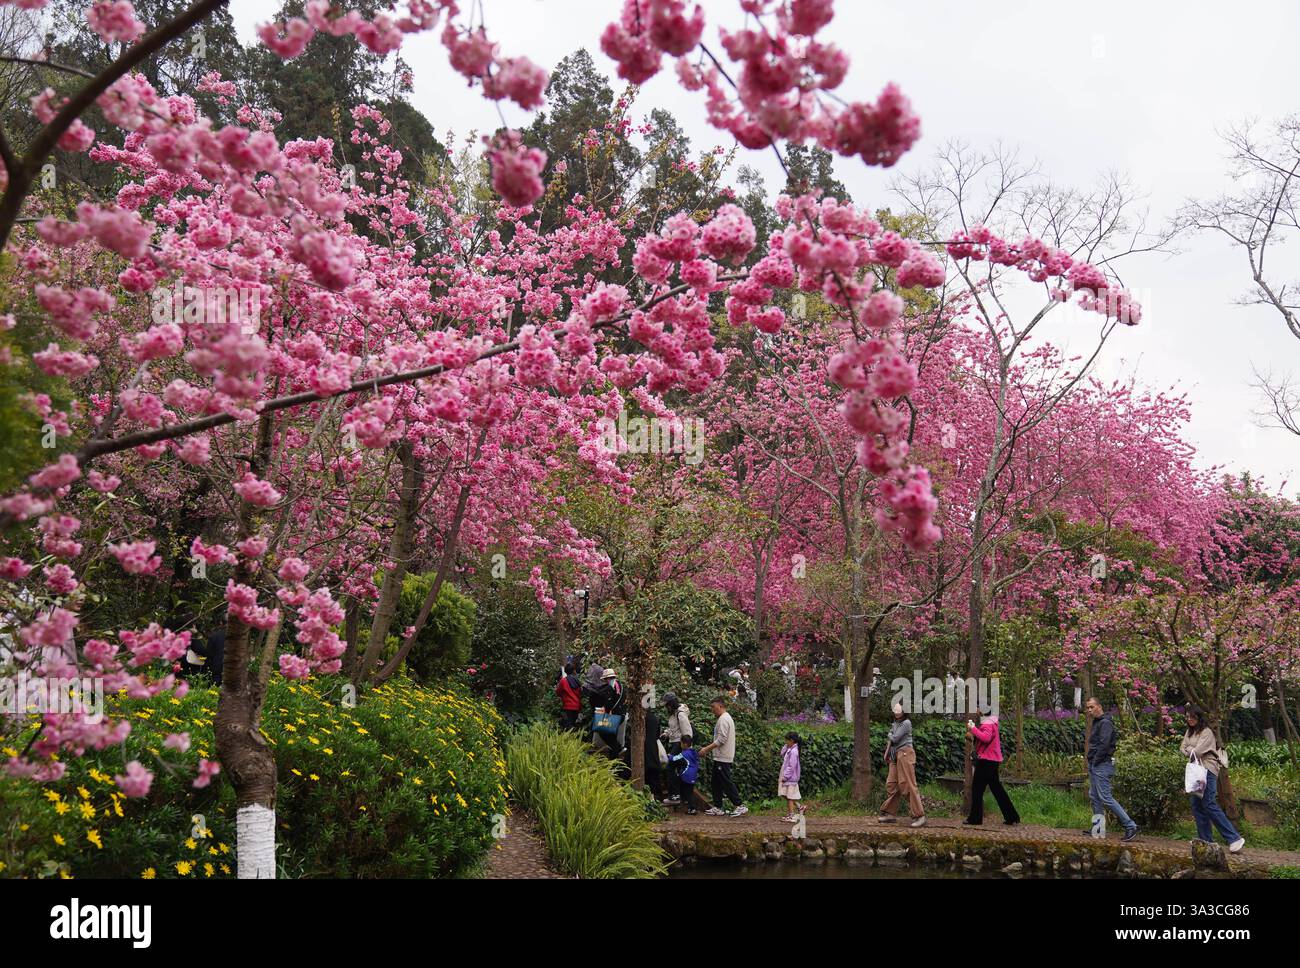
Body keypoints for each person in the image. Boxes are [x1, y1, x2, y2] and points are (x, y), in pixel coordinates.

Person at [1179, 705, 1244, 852]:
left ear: (1199, 717)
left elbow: (1197, 751)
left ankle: (1234, 838)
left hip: (1208, 769)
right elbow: (1182, 748)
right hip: (1196, 771)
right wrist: (1190, 750)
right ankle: (1205, 840)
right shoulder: (1190, 732)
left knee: (1208, 803)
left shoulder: (1206, 732)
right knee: (1197, 805)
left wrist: (1190, 749)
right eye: (1187, 717)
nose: (1189, 719)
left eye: (1192, 717)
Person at [1084, 697, 1138, 842]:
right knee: (1095, 796)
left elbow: (1105, 744)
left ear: (1099, 706)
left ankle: (1130, 825)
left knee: (1105, 798)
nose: (1089, 710)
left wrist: (1095, 761)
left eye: (1092, 707)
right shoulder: (1098, 722)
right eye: (1088, 708)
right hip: (1095, 764)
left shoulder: (1105, 723)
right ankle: (1098, 828)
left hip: (1101, 764)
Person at [964, 710, 1020, 826]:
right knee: (997, 789)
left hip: (986, 761)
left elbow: (986, 738)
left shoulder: (988, 723)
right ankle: (1012, 817)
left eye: (979, 707)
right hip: (993, 760)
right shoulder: (992, 721)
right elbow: (985, 740)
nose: (977, 710)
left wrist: (973, 729)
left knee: (977, 789)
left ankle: (975, 818)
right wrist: (973, 735)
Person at [878, 702, 926, 827]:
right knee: (892, 784)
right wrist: (887, 753)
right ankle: (890, 813)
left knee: (907, 784)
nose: (896, 712)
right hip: (894, 757)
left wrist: (890, 734)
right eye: (895, 710)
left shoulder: (906, 723)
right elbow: (891, 740)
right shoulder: (895, 723)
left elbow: (894, 738)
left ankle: (919, 815)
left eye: (899, 710)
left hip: (905, 754)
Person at [698, 696, 746, 816]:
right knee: (716, 782)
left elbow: (721, 739)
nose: (712, 710)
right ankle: (718, 806)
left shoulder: (724, 719)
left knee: (725, 781)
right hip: (720, 757)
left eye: (713, 707)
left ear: (720, 706)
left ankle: (739, 805)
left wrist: (706, 749)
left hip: (723, 757)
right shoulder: (723, 718)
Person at [661, 693, 693, 803]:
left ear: (672, 704)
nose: (666, 707)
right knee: (679, 770)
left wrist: (686, 748)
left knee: (670, 767)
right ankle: (682, 796)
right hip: (676, 743)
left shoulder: (680, 714)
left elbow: (687, 731)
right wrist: (666, 733)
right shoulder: (674, 713)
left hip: (680, 745)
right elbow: (674, 728)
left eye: (667, 705)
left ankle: (674, 795)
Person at [592, 668, 626, 755]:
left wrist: (604, 711)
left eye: (605, 679)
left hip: (613, 716)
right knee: (612, 735)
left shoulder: (610, 687)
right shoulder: (621, 686)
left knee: (603, 732)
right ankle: (614, 755)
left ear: (608, 678)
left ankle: (618, 749)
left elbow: (609, 704)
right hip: (621, 715)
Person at [667, 734, 703, 814]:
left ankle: (676, 796)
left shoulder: (684, 753)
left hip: (686, 775)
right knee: (689, 792)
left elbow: (674, 759)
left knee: (675, 780)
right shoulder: (693, 752)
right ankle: (691, 807)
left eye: (681, 743)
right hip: (693, 775)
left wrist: (669, 755)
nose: (680, 745)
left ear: (685, 744)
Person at [778, 732, 804, 822]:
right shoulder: (790, 748)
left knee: (789, 797)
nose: (785, 742)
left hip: (790, 777)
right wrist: (786, 745)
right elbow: (781, 753)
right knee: (785, 794)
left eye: (787, 740)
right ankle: (800, 807)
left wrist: (785, 777)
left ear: (792, 740)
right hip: (788, 776)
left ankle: (792, 816)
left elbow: (791, 766)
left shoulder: (794, 751)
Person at [644, 707, 665, 801]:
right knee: (654, 774)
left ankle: (650, 796)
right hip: (653, 748)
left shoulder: (641, 718)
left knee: (647, 773)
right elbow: (657, 735)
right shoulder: (655, 718)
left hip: (644, 748)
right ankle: (657, 796)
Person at [554, 662, 582, 731]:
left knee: (569, 725)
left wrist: (563, 696)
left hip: (568, 706)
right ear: (573, 671)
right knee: (573, 723)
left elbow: (558, 692)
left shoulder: (563, 681)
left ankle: (570, 739)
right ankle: (575, 738)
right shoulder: (577, 681)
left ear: (565, 671)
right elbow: (580, 693)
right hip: (577, 705)